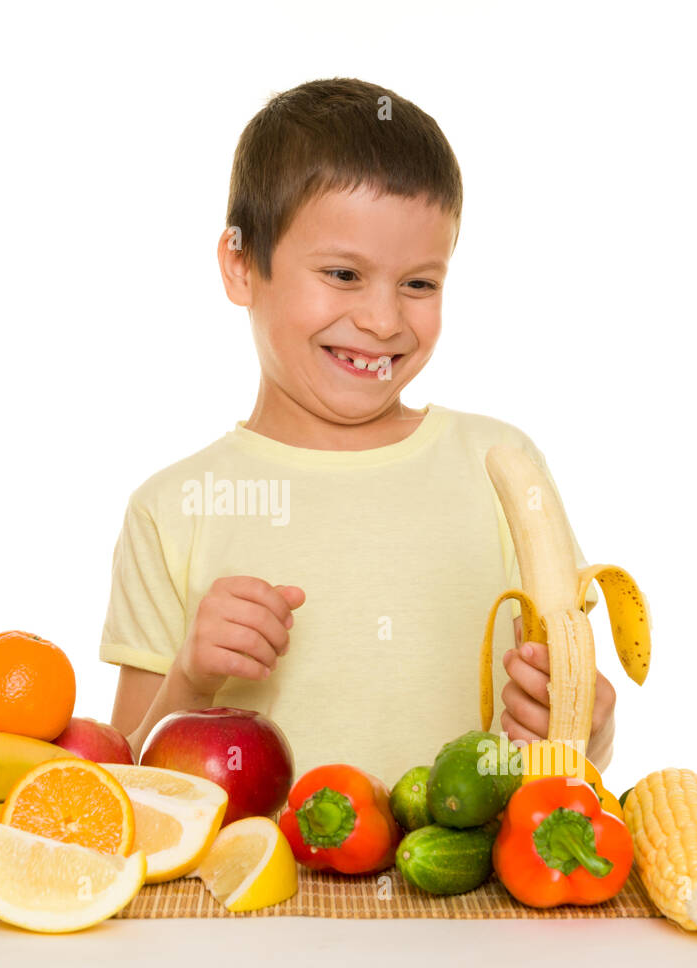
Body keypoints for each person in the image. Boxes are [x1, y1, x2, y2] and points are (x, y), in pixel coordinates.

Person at [98, 78, 614, 788]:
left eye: (419, 284)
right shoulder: (172, 508)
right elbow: (123, 777)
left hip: (463, 894)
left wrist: (582, 726)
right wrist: (192, 677)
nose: (382, 320)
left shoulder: (499, 465)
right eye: (344, 274)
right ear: (242, 264)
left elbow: (569, 739)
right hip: (262, 893)